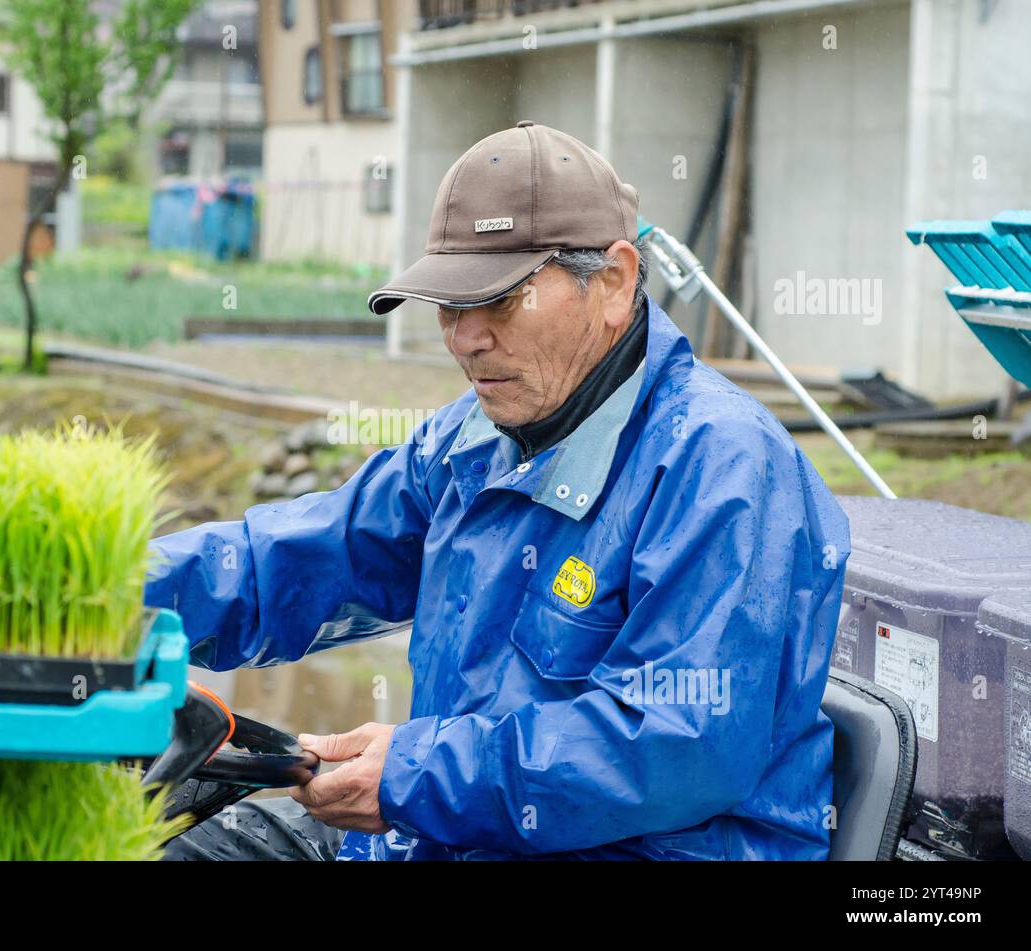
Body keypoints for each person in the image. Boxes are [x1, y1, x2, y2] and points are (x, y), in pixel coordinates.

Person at [147, 121, 850, 861]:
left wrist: (414, 774)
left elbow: (677, 744)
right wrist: (102, 600)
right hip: (456, 832)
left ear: (612, 282)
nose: (466, 339)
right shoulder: (471, 440)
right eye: (450, 305)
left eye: (502, 301)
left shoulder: (721, 465)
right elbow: (301, 556)